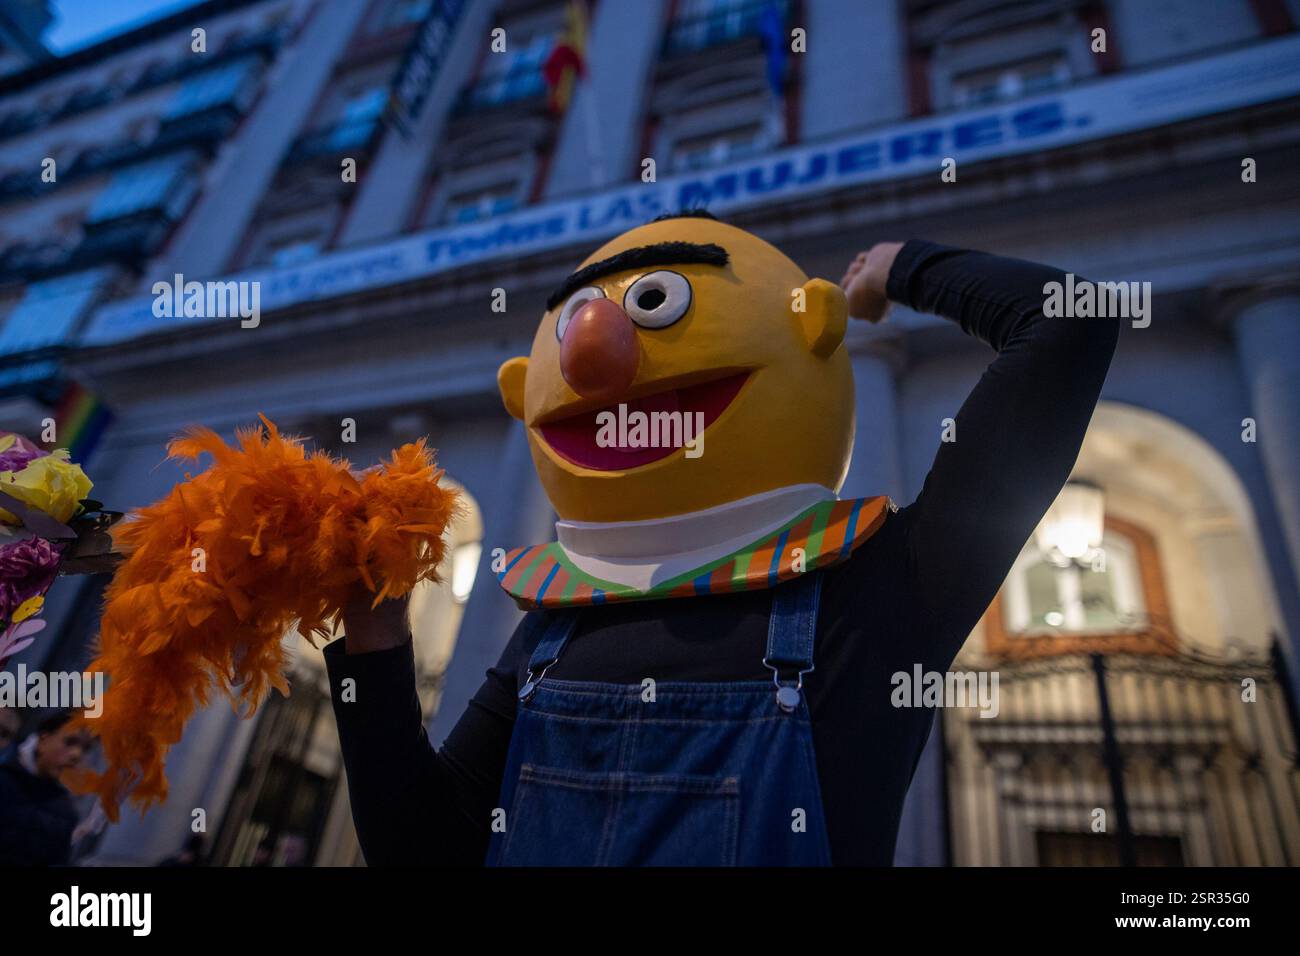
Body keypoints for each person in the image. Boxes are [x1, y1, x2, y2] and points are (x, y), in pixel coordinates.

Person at [326, 215, 1119, 865]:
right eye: (573, 322)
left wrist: (898, 264)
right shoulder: (557, 626)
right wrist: (374, 639)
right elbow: (422, 851)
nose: (594, 350)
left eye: (656, 303)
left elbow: (1070, 317)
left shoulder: (885, 586)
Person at [0, 710, 94, 866]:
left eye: (85, 749)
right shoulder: (4, 781)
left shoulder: (65, 813)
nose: (76, 754)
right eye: (70, 742)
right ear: (44, 739)